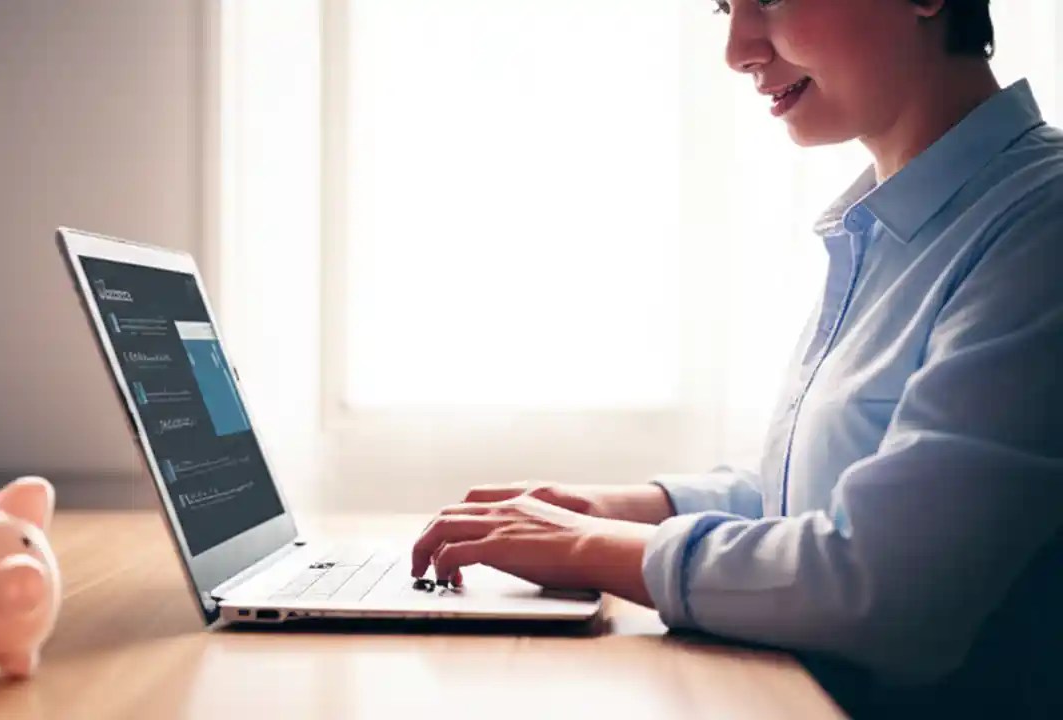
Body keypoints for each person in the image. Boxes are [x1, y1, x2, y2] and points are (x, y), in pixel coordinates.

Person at [411, 0, 1063, 712]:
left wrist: (587, 545)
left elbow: (890, 586)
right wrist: (628, 508)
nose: (737, 48)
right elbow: (839, 491)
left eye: (771, 0)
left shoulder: (1041, 225)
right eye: (726, 5)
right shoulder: (896, 224)